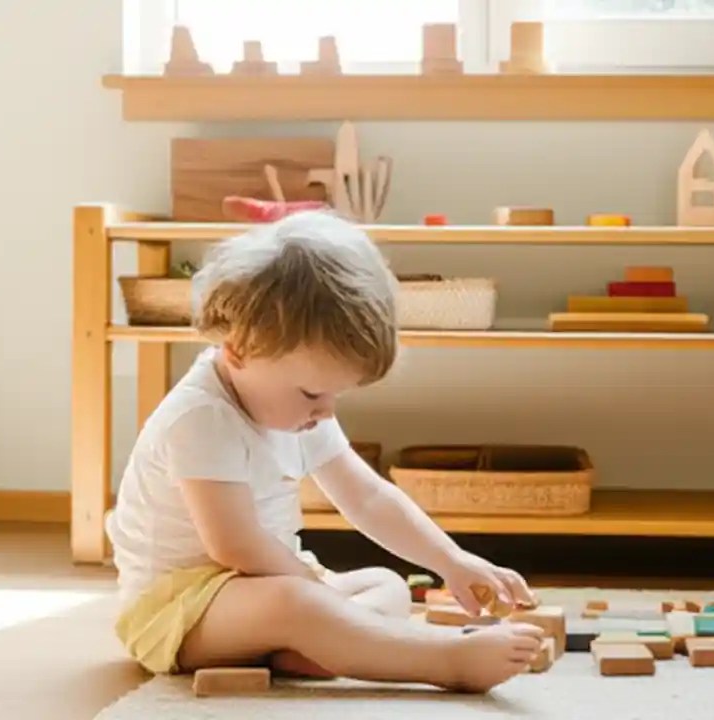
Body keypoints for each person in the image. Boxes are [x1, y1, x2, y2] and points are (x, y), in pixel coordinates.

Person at [105, 210, 543, 693]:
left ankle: (314, 645)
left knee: (387, 584)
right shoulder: (202, 418)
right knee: (298, 603)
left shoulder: (291, 405)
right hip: (177, 610)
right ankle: (442, 661)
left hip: (264, 585)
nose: (326, 410)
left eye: (336, 394)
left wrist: (451, 561)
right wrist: (319, 598)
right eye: (313, 394)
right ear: (239, 351)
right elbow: (235, 545)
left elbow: (369, 498)